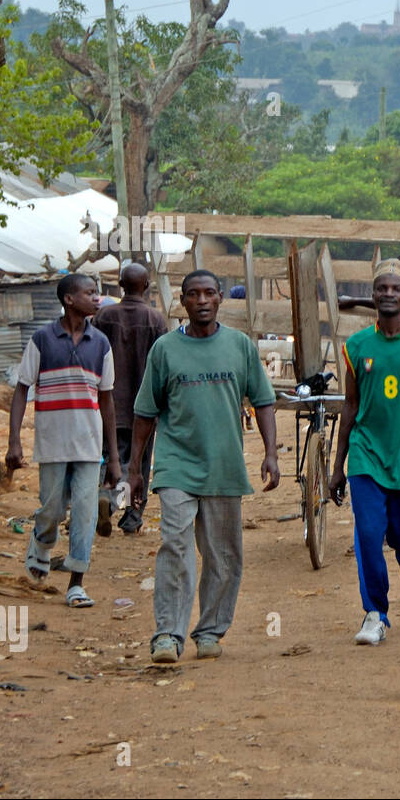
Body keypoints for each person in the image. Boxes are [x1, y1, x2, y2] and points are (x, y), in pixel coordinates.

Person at [129, 269, 279, 664]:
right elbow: (146, 412)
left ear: (219, 299)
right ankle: (167, 634)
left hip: (224, 465)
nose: (201, 301)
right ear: (182, 301)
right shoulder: (164, 350)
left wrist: (271, 453)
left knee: (222, 554)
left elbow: (262, 400)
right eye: (193, 294)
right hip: (176, 464)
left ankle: (210, 629)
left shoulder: (240, 346)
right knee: (174, 547)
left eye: (209, 293)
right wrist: (134, 468)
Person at [328, 258, 400, 646]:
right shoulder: (357, 345)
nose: (389, 294)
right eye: (382, 288)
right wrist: (338, 465)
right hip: (367, 455)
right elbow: (349, 405)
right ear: (374, 295)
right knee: (368, 532)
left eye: (397, 288)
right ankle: (375, 612)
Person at [6, 273, 121, 610]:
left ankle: (76, 583)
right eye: (90, 293)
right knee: (53, 508)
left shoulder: (100, 343)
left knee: (85, 513)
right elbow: (21, 389)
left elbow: (107, 400)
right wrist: (15, 441)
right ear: (69, 299)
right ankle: (42, 543)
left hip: (88, 444)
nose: (97, 298)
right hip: (53, 442)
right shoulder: (42, 339)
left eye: (97, 293)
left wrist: (112, 456)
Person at [93, 261, 168, 534]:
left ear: (121, 285)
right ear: (146, 285)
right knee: (137, 462)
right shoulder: (156, 320)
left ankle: (106, 497)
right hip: (143, 408)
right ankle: (130, 516)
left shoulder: (103, 316)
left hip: (107, 404)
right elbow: (164, 365)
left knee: (111, 456)